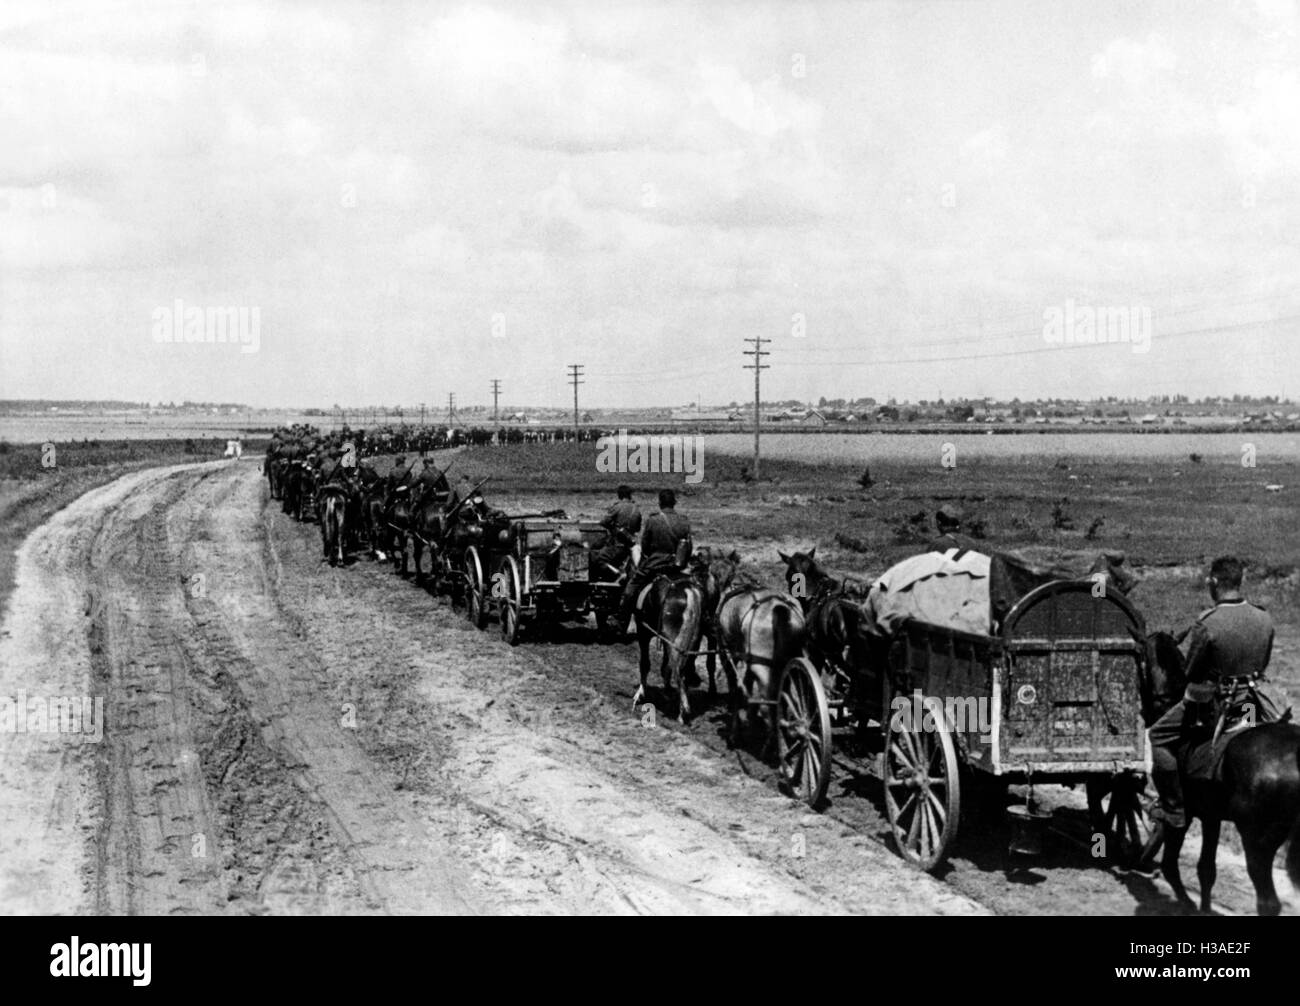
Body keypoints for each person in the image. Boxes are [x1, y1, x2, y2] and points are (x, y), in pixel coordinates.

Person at [1148, 556, 1290, 829]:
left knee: (1158, 736)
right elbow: (1263, 664)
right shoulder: (1264, 617)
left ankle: (1174, 810)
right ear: (1240, 581)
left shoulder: (1208, 622)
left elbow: (1191, 672)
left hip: (1222, 702)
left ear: (1214, 582)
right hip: (1258, 700)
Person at [617, 488, 692, 627]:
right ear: (674, 503)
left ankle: (622, 619)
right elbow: (689, 548)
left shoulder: (653, 520)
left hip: (655, 565)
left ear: (660, 503)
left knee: (631, 587)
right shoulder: (684, 521)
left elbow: (645, 546)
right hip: (678, 566)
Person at [594, 485, 642, 574]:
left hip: (617, 545)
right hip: (630, 545)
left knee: (597, 558)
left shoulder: (617, 507)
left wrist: (613, 528)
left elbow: (604, 522)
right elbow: (638, 528)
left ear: (619, 495)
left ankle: (617, 574)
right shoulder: (637, 510)